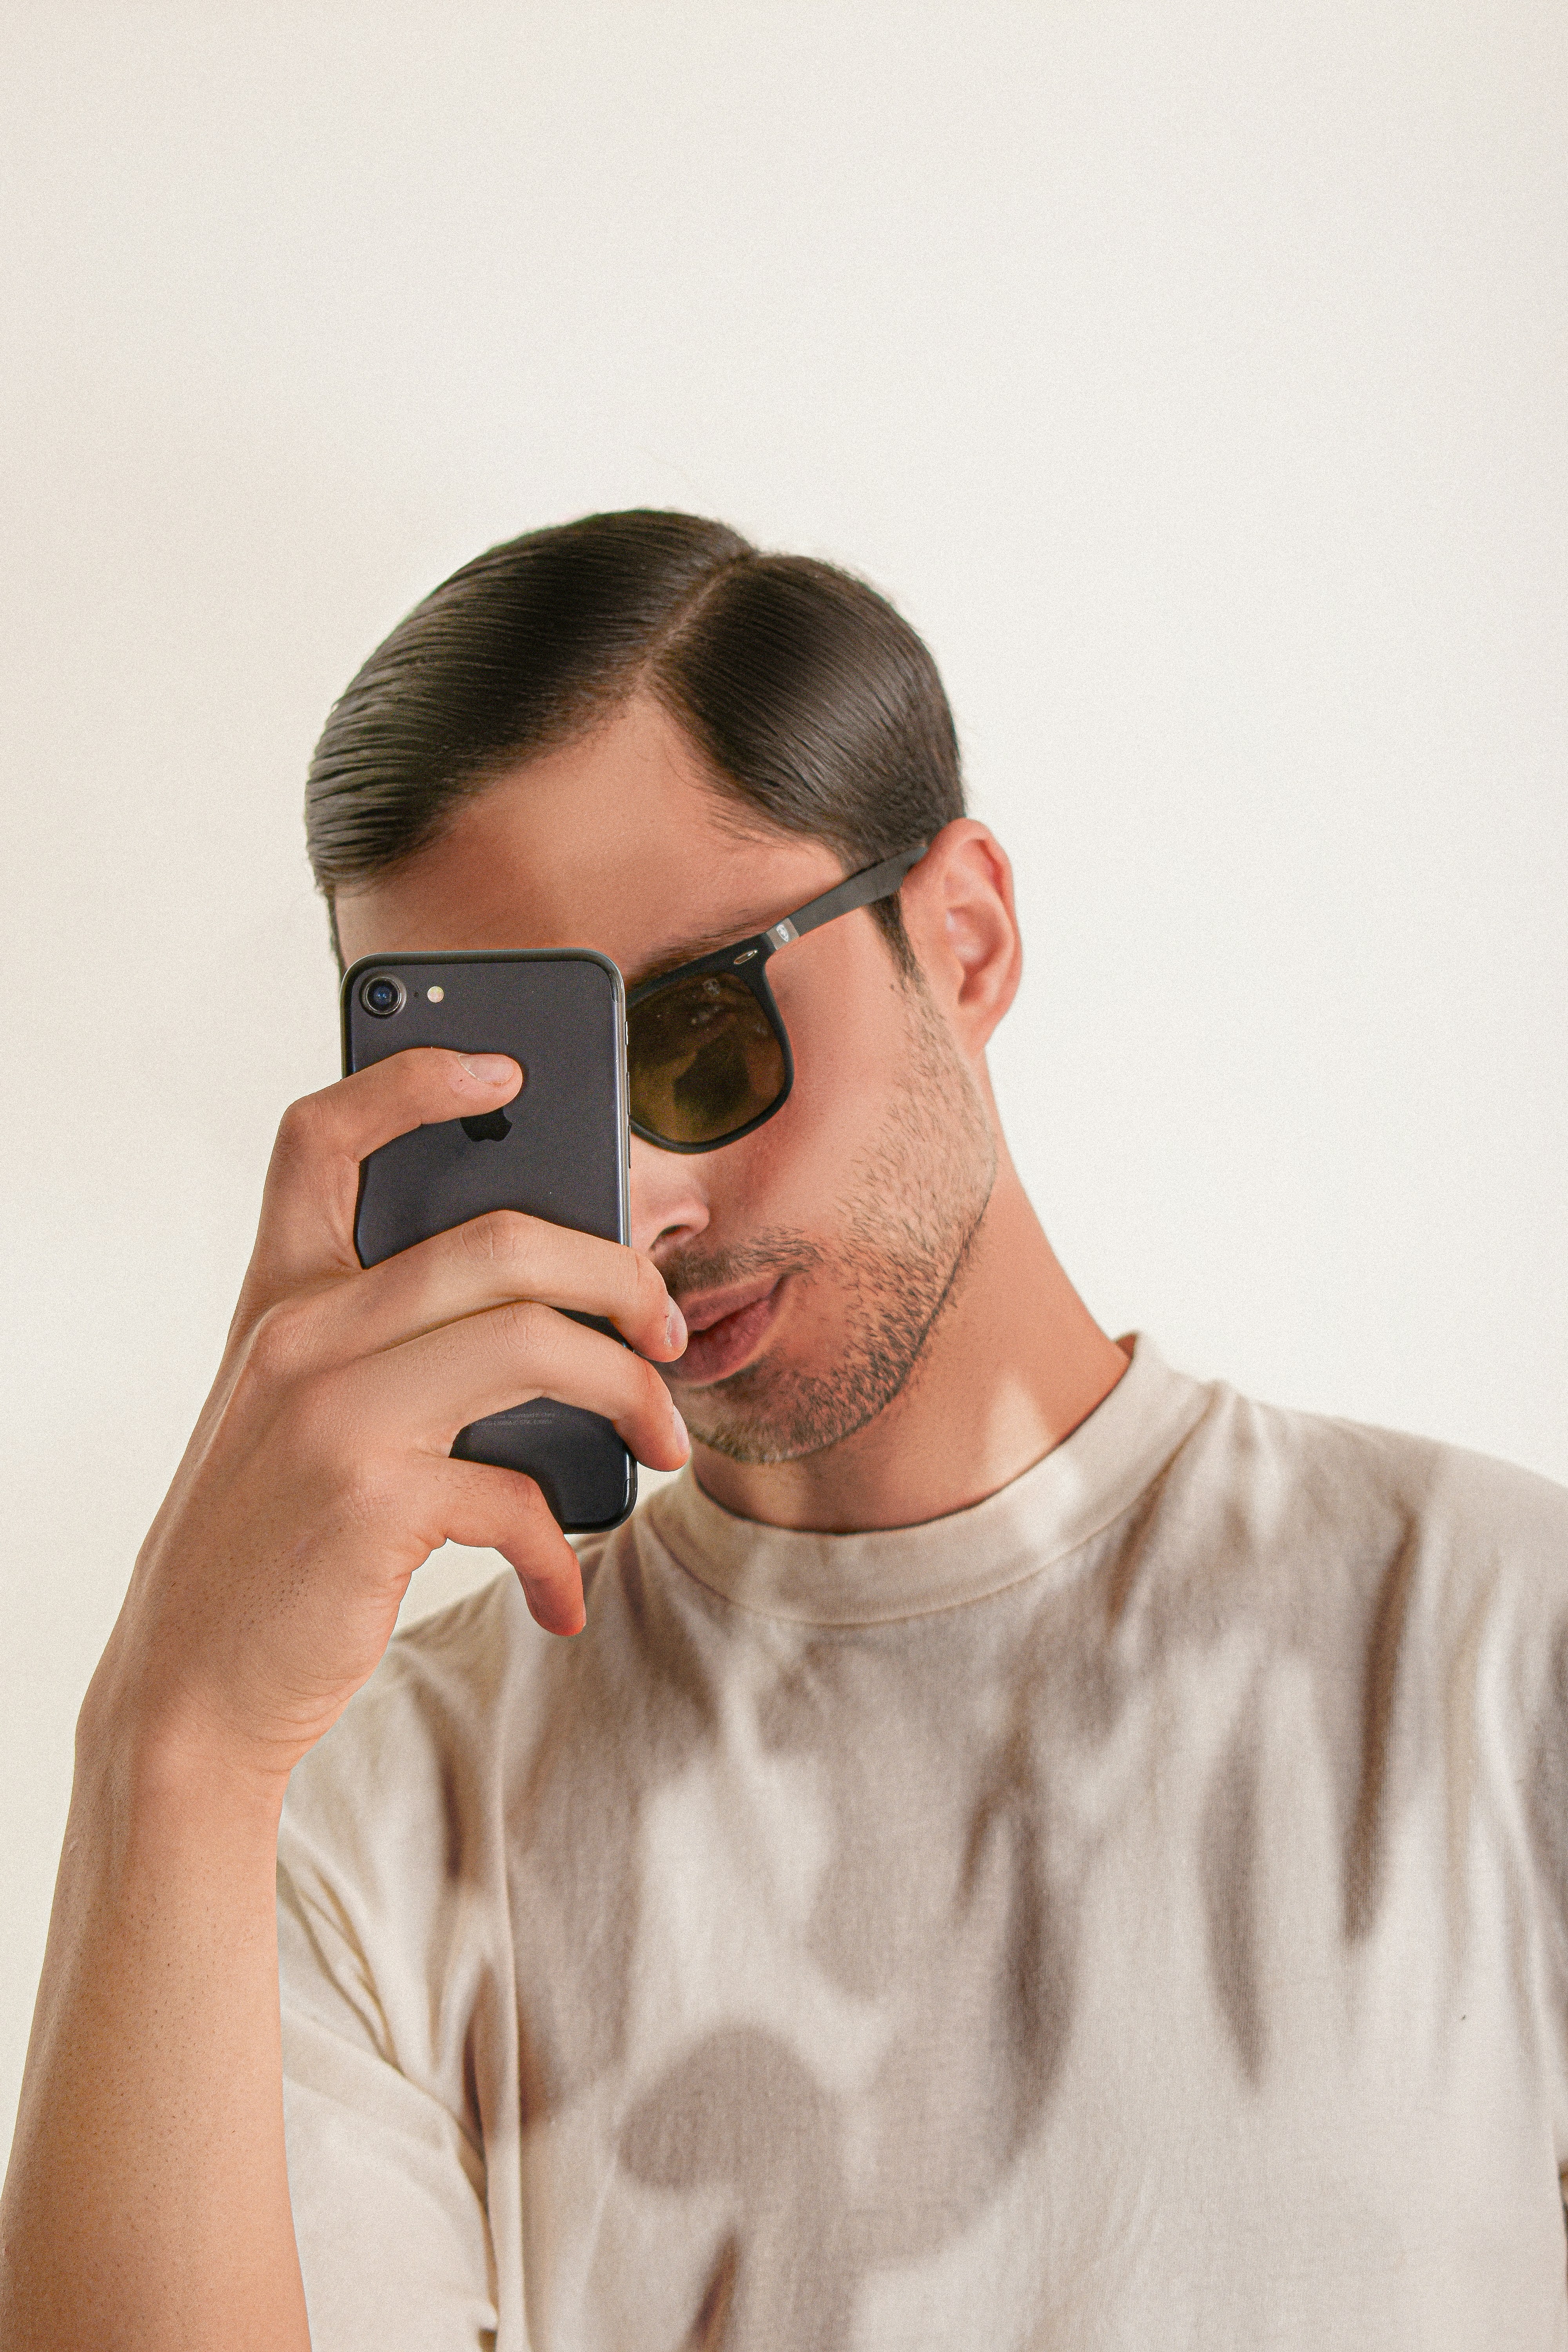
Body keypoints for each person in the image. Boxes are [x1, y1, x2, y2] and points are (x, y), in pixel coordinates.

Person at [3, 510, 1566, 2352]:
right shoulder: (365, 1823)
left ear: (963, 939)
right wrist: (167, 1740)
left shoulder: (1498, 1640)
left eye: (696, 1035)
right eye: (518, 1114)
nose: (644, 1201)